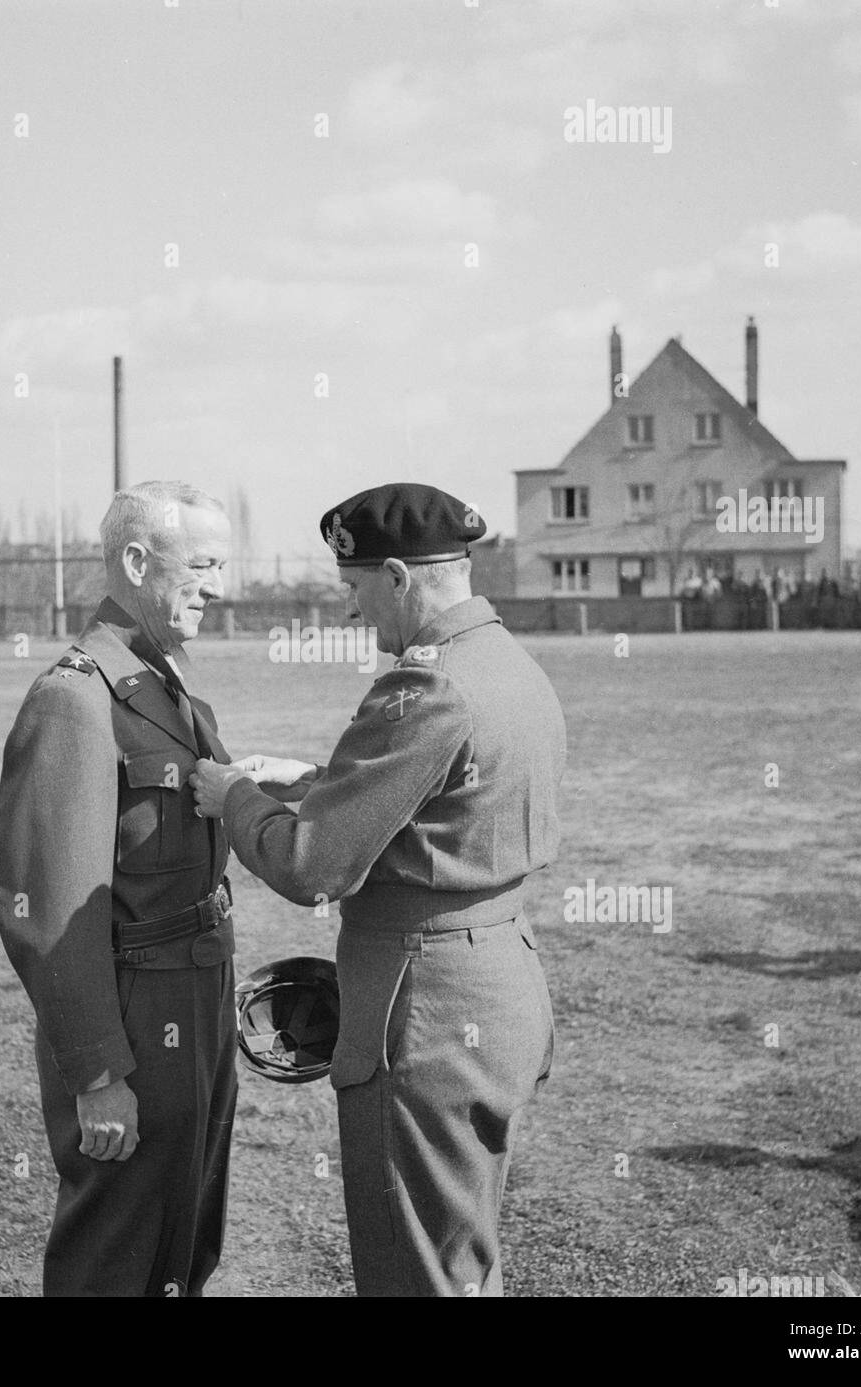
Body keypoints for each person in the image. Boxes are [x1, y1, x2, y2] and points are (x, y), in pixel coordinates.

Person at [192, 483, 566, 1297]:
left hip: (427, 1009)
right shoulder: (505, 661)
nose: (355, 612)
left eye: (355, 588)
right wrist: (321, 779)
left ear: (397, 575)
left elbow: (311, 865)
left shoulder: (421, 686)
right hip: (500, 979)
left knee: (414, 1273)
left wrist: (234, 800)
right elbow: (451, 800)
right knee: (460, 1260)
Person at [0, 480, 239, 1297]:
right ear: (136, 560)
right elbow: (49, 910)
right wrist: (98, 1074)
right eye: (200, 564)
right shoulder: (75, 699)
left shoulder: (162, 682)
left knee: (183, 1242)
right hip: (134, 1021)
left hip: (196, 1005)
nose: (219, 585)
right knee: (116, 1253)